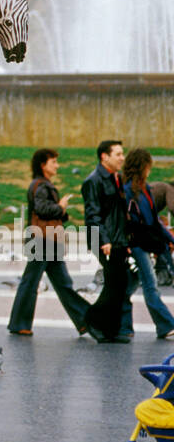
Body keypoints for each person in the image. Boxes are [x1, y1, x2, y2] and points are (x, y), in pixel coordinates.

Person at [7, 148, 89, 337]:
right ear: (43, 165)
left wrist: (61, 211)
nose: (57, 165)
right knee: (32, 282)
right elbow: (42, 209)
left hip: (47, 240)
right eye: (53, 162)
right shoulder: (40, 185)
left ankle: (85, 320)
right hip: (43, 240)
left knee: (62, 283)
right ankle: (20, 324)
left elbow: (44, 210)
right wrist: (60, 207)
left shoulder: (42, 184)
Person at [120, 149, 174, 341]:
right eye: (148, 166)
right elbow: (132, 221)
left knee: (129, 287)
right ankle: (166, 325)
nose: (150, 170)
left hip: (145, 241)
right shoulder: (127, 191)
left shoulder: (145, 189)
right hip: (136, 243)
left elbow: (154, 221)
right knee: (151, 284)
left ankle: (124, 327)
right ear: (142, 167)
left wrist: (170, 238)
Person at [82, 139, 131, 343]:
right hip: (103, 240)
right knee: (114, 283)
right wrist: (104, 240)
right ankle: (92, 319)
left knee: (119, 283)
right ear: (104, 156)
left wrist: (125, 240)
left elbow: (119, 213)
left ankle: (110, 331)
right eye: (118, 154)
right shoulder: (93, 181)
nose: (122, 157)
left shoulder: (115, 178)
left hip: (117, 240)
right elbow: (93, 215)